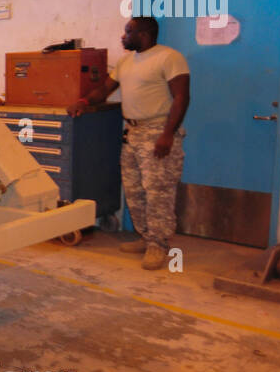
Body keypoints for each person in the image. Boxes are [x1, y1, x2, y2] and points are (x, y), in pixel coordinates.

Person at [69, 16, 190, 271]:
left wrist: (168, 134)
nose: (123, 37)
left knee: (158, 191)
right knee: (134, 190)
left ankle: (159, 244)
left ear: (144, 34)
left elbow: (181, 97)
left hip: (158, 131)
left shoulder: (169, 57)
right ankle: (146, 237)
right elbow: (104, 90)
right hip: (132, 133)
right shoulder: (126, 62)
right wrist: (83, 102)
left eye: (127, 32)